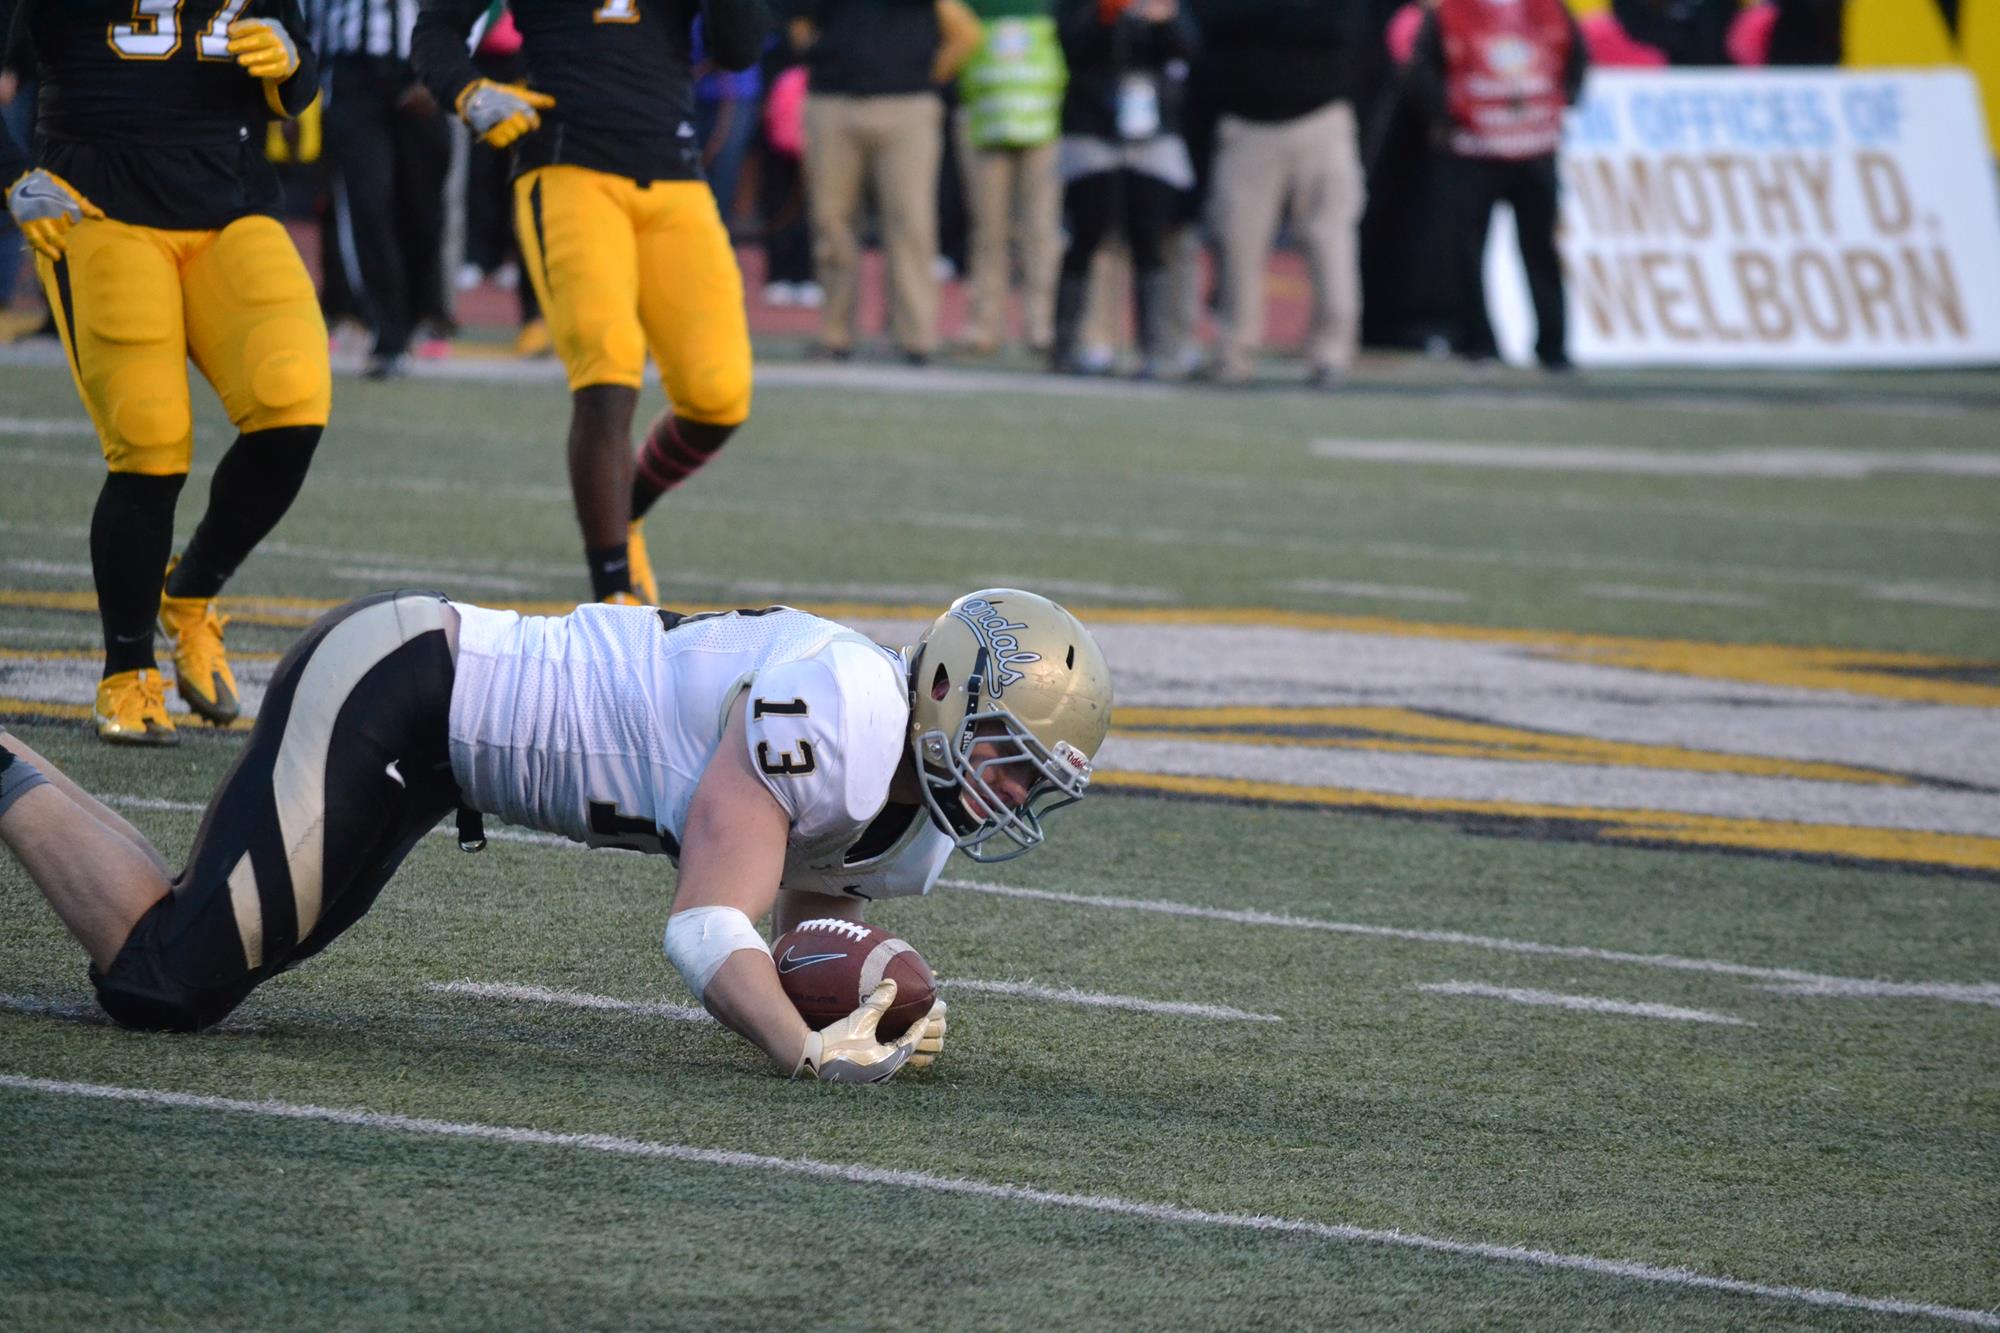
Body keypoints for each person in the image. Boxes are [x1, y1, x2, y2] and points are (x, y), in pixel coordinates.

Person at [0, 588, 1115, 1082]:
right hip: (406, 688)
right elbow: (704, 924)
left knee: (191, 958)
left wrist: (873, 999)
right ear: (941, 688)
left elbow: (797, 937)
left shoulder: (912, 817)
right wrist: (801, 1051)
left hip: (439, 756)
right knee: (162, 985)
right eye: (1007, 751)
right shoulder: (838, 707)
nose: (1011, 790)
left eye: (1036, 776)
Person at [0, 0, 331, 746]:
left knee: (294, 402)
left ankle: (190, 593)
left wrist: (290, 65)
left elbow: (299, 82)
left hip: (231, 200)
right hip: (97, 202)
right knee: (149, 439)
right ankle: (128, 667)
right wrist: (12, 174)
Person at [413, 0, 769, 609]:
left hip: (672, 169)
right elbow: (437, 27)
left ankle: (620, 510)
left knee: (719, 397)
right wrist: (468, 92)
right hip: (566, 163)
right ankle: (614, 595)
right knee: (609, 373)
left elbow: (738, 48)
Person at [793, 0, 979, 364]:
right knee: (831, 221)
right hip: (833, 101)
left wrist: (925, 73)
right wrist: (826, 57)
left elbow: (966, 33)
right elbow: (798, 23)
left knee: (911, 221)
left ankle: (914, 337)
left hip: (907, 105)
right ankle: (835, 333)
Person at [1194, 0, 1363, 389]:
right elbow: (1212, 19)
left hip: (1321, 119)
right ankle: (1234, 351)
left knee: (1329, 237)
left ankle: (1331, 353)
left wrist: (1265, 21)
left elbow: (1338, 24)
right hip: (1247, 123)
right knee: (1237, 240)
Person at [1410, 0, 1586, 371]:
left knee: (1541, 250)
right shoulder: (1448, 13)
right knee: (1467, 252)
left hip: (1535, 148)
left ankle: (1553, 346)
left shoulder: (1549, 9)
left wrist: (1563, 98)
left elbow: (1577, 58)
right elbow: (1424, 68)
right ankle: (1479, 343)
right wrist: (1446, 114)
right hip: (1471, 151)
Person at [1049, 0, 1195, 379]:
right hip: (1091, 129)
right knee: (1086, 235)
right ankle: (1068, 343)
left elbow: (1188, 49)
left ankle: (1154, 347)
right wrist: (1106, 13)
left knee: (1150, 237)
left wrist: (1163, 19)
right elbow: (1070, 45)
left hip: (1152, 132)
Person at [311, 0, 455, 379]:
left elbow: (478, 8)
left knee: (423, 207)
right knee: (367, 202)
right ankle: (388, 333)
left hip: (420, 64)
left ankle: (423, 314)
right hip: (351, 72)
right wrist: (301, 82)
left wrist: (447, 70)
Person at [954, 0, 1067, 356]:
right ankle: (984, 326)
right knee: (988, 230)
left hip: (1044, 119)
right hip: (984, 116)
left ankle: (1043, 326)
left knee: (1041, 229)